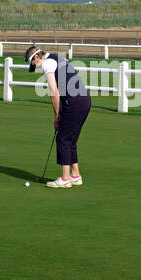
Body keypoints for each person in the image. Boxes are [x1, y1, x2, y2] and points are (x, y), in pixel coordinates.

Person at [26, 45, 91, 188]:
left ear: (37, 57)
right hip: (84, 100)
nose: (36, 67)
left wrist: (57, 116)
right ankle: (75, 175)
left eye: (34, 64)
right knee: (70, 139)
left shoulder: (47, 63)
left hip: (74, 102)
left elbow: (53, 91)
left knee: (63, 139)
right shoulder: (58, 59)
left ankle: (65, 179)